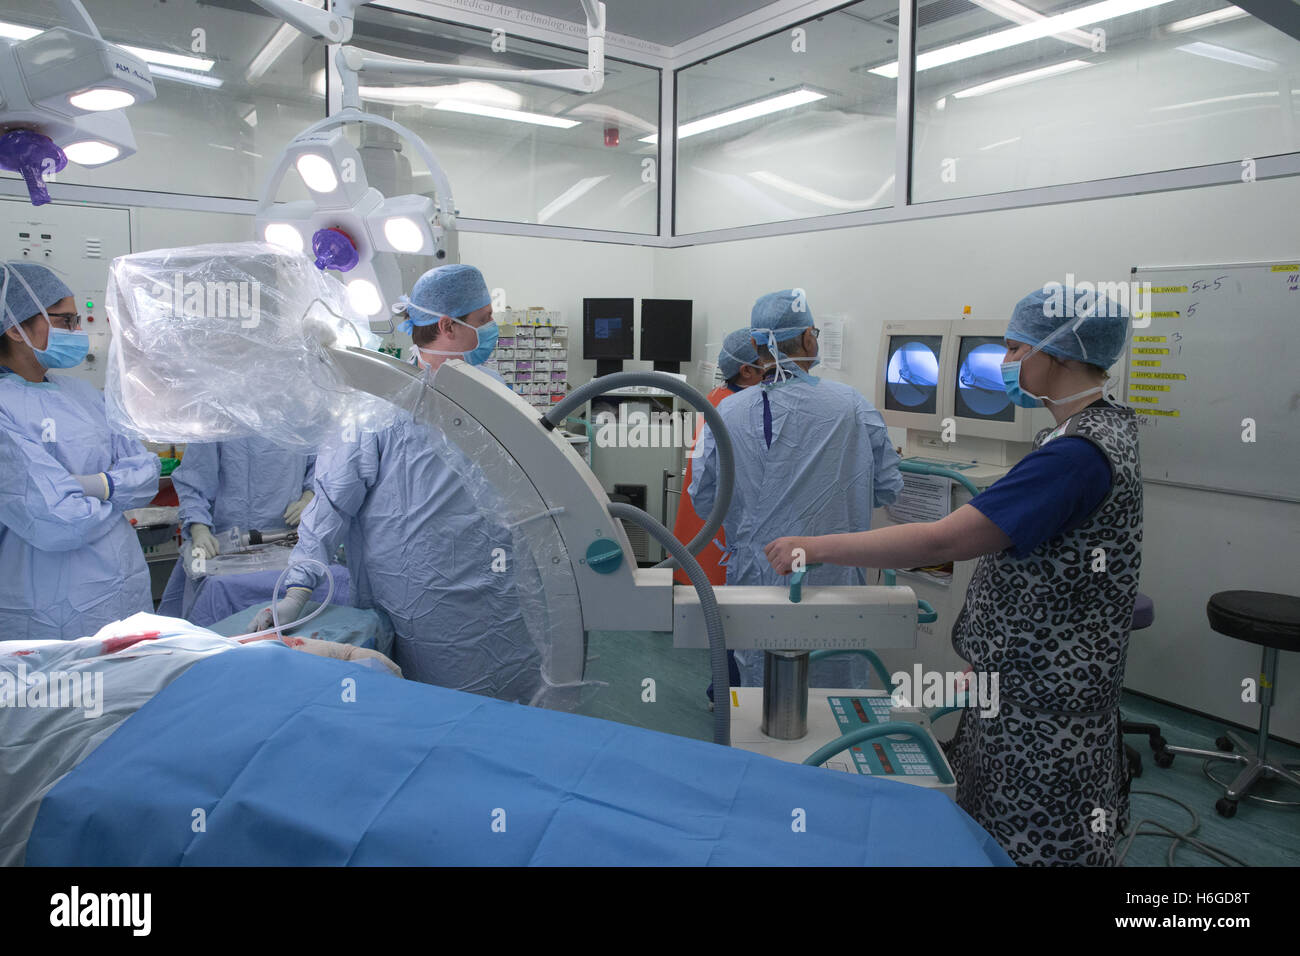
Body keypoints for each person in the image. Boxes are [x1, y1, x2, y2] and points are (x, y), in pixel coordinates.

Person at [764, 286, 1140, 866]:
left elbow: (945, 539)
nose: (1008, 364)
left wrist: (810, 547)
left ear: (1060, 352)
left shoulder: (1074, 456)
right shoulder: (1099, 430)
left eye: (1015, 349)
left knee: (1030, 844)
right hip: (1031, 681)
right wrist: (988, 654)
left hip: (1041, 712)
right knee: (982, 814)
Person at [250, 264, 541, 701]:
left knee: (505, 717)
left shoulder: (495, 393)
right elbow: (331, 504)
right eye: (483, 319)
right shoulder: (377, 409)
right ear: (447, 325)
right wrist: (298, 589)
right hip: (424, 609)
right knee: (432, 716)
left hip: (502, 602)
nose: (492, 329)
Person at [689, 290, 903, 689]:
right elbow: (889, 487)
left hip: (756, 578)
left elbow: (704, 497)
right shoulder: (852, 406)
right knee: (833, 698)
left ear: (755, 345)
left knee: (758, 696)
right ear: (808, 339)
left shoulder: (729, 412)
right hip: (833, 584)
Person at [0, 262, 159, 641]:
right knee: (69, 697)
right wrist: (118, 493)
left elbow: (147, 472)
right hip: (50, 606)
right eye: (66, 320)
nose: (76, 331)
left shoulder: (83, 396)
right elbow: (57, 519)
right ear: (14, 329)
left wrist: (94, 485)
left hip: (124, 589)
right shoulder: (6, 408)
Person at [673, 329, 768, 699]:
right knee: (734, 617)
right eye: (768, 362)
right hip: (722, 533)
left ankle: (726, 691)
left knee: (731, 617)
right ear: (746, 371)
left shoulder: (722, 398)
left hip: (715, 528)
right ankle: (727, 694)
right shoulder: (734, 408)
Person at [157, 437, 316, 617]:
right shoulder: (219, 416)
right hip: (222, 550)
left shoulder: (299, 415)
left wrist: (310, 496)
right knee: (219, 625)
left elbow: (320, 465)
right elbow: (195, 477)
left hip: (287, 546)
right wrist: (198, 527)